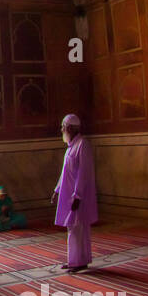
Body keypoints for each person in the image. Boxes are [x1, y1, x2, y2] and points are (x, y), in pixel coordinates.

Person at [53, 114, 98, 273]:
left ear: (70, 128)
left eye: (63, 127)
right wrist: (57, 190)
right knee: (74, 228)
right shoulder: (71, 147)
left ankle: (77, 262)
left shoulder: (82, 145)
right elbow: (65, 173)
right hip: (69, 196)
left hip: (77, 197)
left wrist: (78, 196)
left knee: (77, 229)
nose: (62, 130)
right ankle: (77, 260)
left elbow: (83, 173)